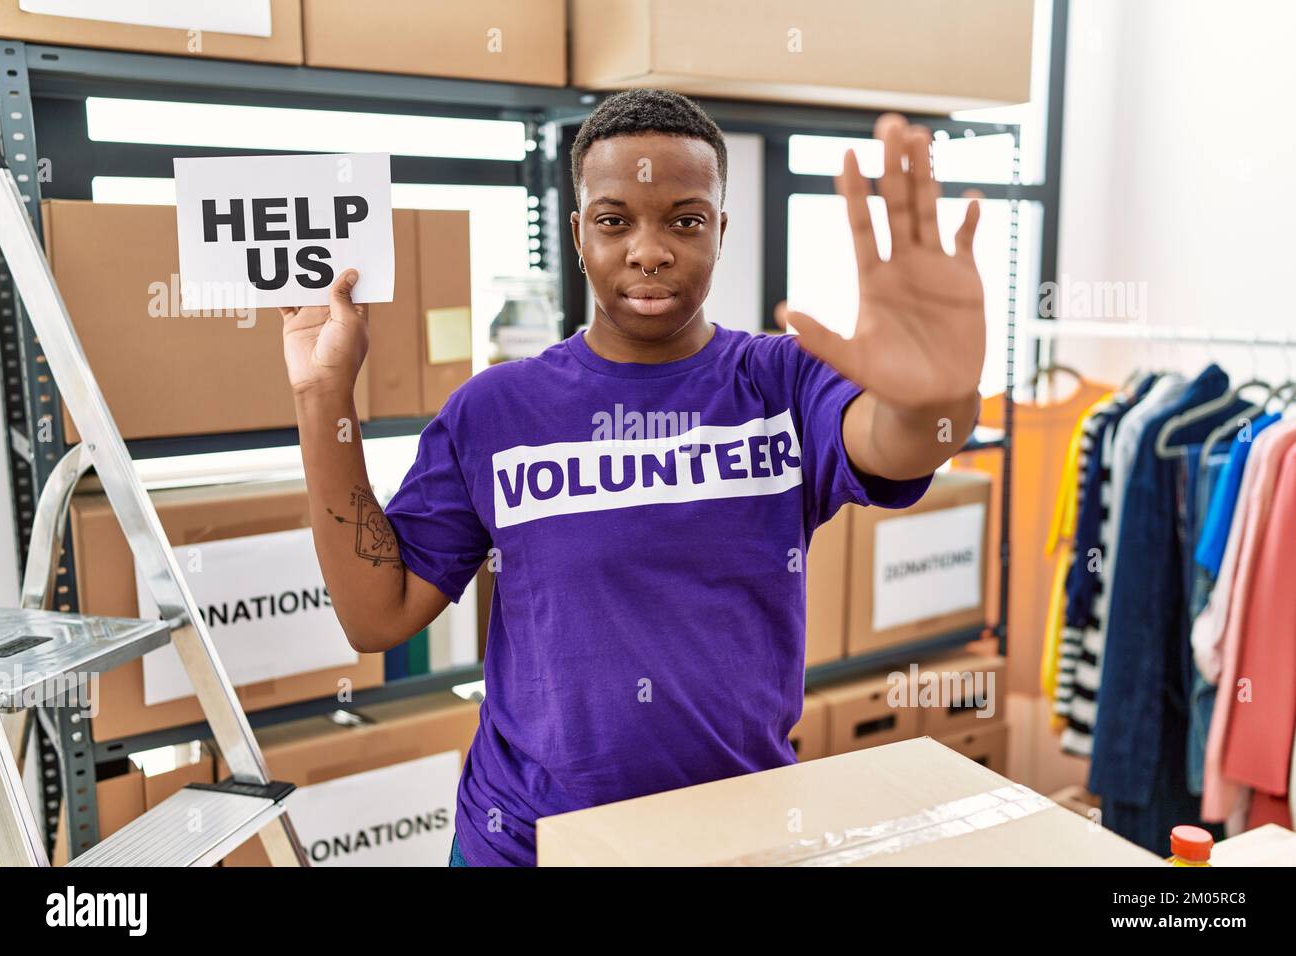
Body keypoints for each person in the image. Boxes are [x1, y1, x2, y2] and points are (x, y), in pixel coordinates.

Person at [279, 89, 986, 867]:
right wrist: (322, 398)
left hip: (735, 837)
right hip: (526, 846)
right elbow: (376, 618)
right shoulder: (495, 410)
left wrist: (935, 396)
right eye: (615, 221)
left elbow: (898, 442)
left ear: (720, 231)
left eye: (685, 220)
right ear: (579, 236)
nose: (649, 251)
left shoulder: (779, 382)